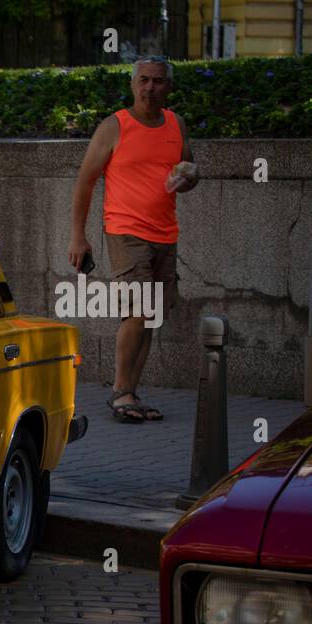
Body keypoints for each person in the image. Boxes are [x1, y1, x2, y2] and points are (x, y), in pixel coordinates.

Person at [68, 54, 198, 423]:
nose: (150, 88)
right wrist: (79, 236)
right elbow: (86, 180)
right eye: (143, 80)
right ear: (132, 84)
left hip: (165, 233)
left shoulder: (176, 124)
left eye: (158, 81)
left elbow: (186, 171)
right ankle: (119, 390)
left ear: (168, 87)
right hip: (126, 232)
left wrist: (190, 177)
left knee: (152, 316)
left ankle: (131, 393)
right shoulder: (115, 126)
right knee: (138, 311)